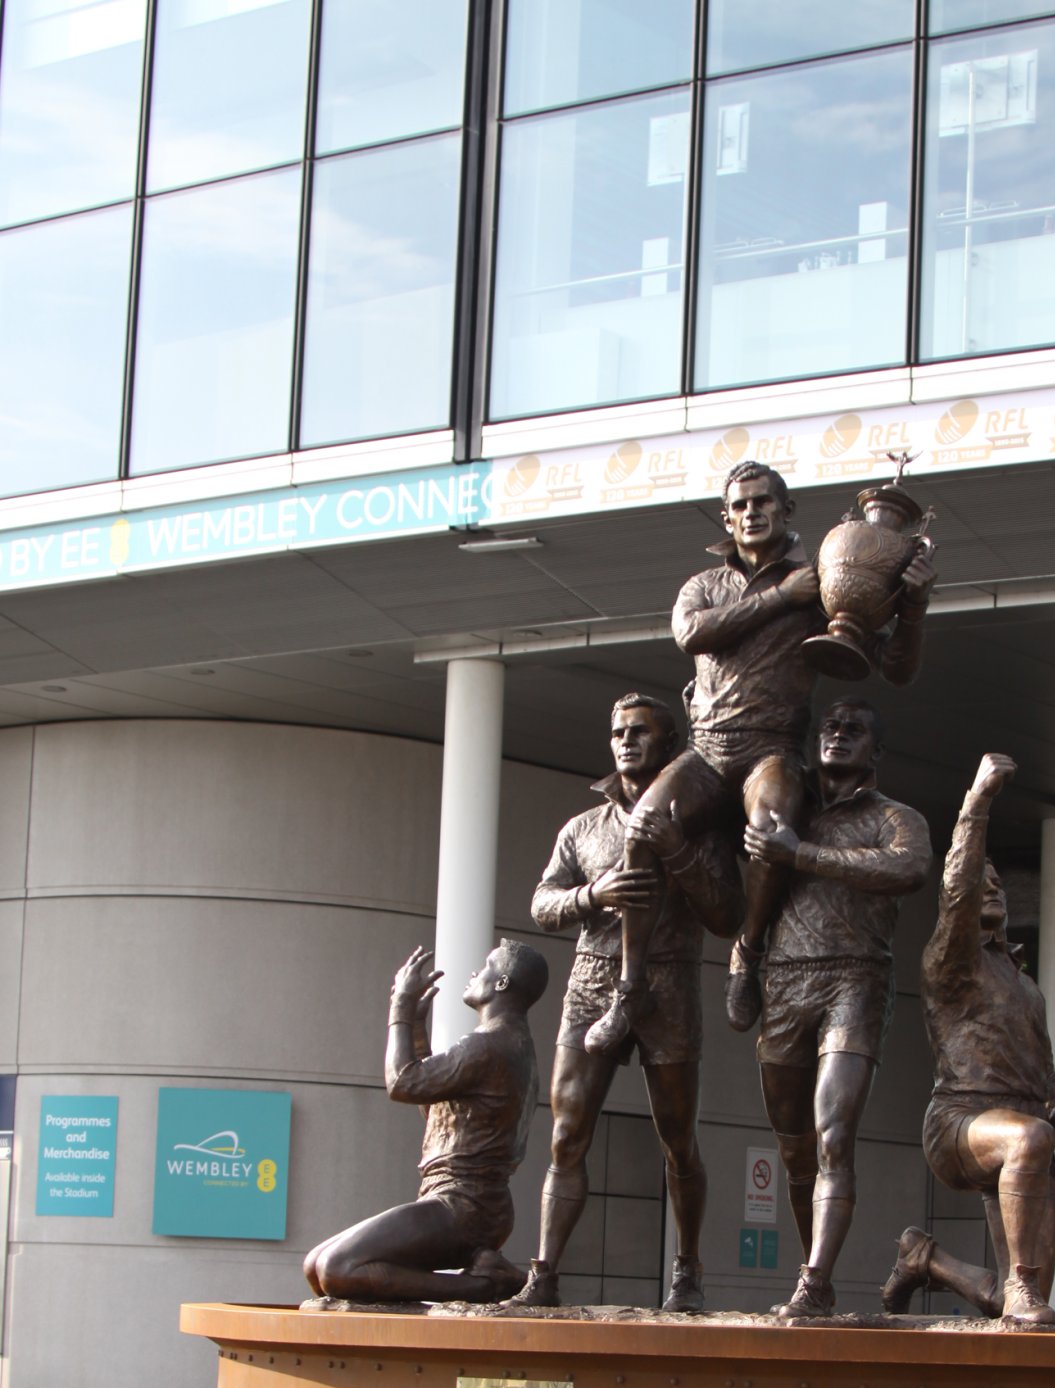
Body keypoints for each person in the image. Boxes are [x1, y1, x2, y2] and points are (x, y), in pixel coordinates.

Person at [582, 460, 935, 1056]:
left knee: (771, 827)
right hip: (707, 751)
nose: (752, 513)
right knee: (641, 826)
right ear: (726, 518)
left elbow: (896, 670)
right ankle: (631, 985)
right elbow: (692, 634)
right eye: (740, 505)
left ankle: (747, 949)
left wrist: (915, 608)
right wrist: (779, 599)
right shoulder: (705, 586)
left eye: (763, 502)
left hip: (771, 749)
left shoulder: (823, 578)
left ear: (786, 509)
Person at [511, 692, 744, 1313]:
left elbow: (727, 912)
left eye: (640, 732)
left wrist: (678, 850)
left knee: (677, 1138)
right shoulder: (583, 829)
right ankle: (545, 1273)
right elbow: (542, 904)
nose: (625, 741)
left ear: (668, 745)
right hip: (591, 982)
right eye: (617, 732)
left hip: (669, 986)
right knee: (566, 1133)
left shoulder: (699, 821)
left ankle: (688, 1270)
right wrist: (593, 893)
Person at [882, 752, 1055, 1326]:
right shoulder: (950, 961)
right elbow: (962, 885)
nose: (988, 890)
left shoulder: (1022, 982)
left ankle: (927, 1259)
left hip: (1025, 1123)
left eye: (999, 886)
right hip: (960, 1124)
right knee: (1030, 1150)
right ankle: (1018, 1282)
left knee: (1026, 1313)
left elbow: (1045, 1071)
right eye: (978, 884)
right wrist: (979, 801)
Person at [744, 698, 931, 1319]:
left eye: (856, 729)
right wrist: (743, 959)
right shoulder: (782, 810)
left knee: (833, 1134)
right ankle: (812, 1273)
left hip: (856, 980)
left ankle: (816, 1278)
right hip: (785, 983)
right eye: (830, 727)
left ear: (876, 751)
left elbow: (908, 868)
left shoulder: (895, 818)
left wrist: (801, 854)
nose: (840, 735)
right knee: (792, 1143)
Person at [303, 939, 547, 1304]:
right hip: (468, 1203)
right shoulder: (509, 1045)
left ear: (501, 984)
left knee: (339, 1268)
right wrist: (417, 1026)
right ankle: (487, 1278)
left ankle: (487, 1286)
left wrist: (399, 1009)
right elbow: (436, 1111)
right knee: (314, 1265)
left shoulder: (489, 1045)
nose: (475, 973)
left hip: (466, 1205)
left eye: (486, 967)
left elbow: (403, 1082)